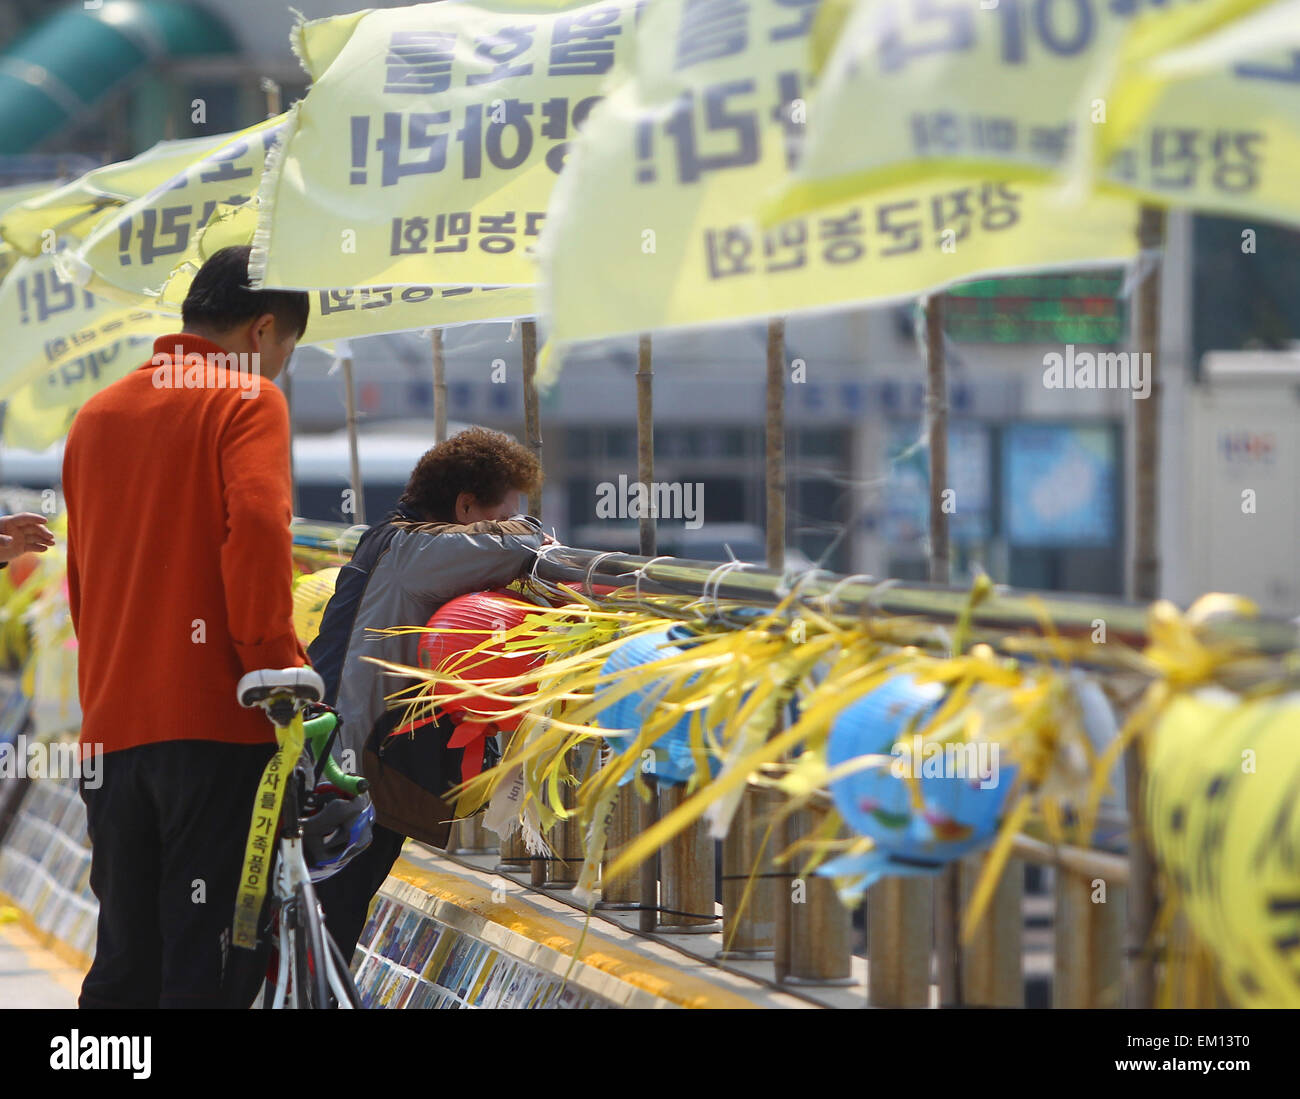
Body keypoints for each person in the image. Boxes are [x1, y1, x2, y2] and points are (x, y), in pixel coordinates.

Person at [63, 245, 310, 1008]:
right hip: (213, 726)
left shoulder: (98, 412)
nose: (277, 373)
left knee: (123, 965)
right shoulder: (245, 396)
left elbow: (84, 580)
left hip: (111, 729)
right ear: (261, 332)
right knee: (200, 964)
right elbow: (261, 525)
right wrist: (274, 659)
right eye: (284, 357)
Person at [310, 427, 545, 960]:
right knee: (334, 922)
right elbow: (520, 546)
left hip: (329, 753)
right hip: (356, 771)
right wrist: (525, 529)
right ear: (466, 508)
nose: (509, 522)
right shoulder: (416, 552)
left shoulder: (385, 537)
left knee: (327, 920)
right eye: (502, 513)